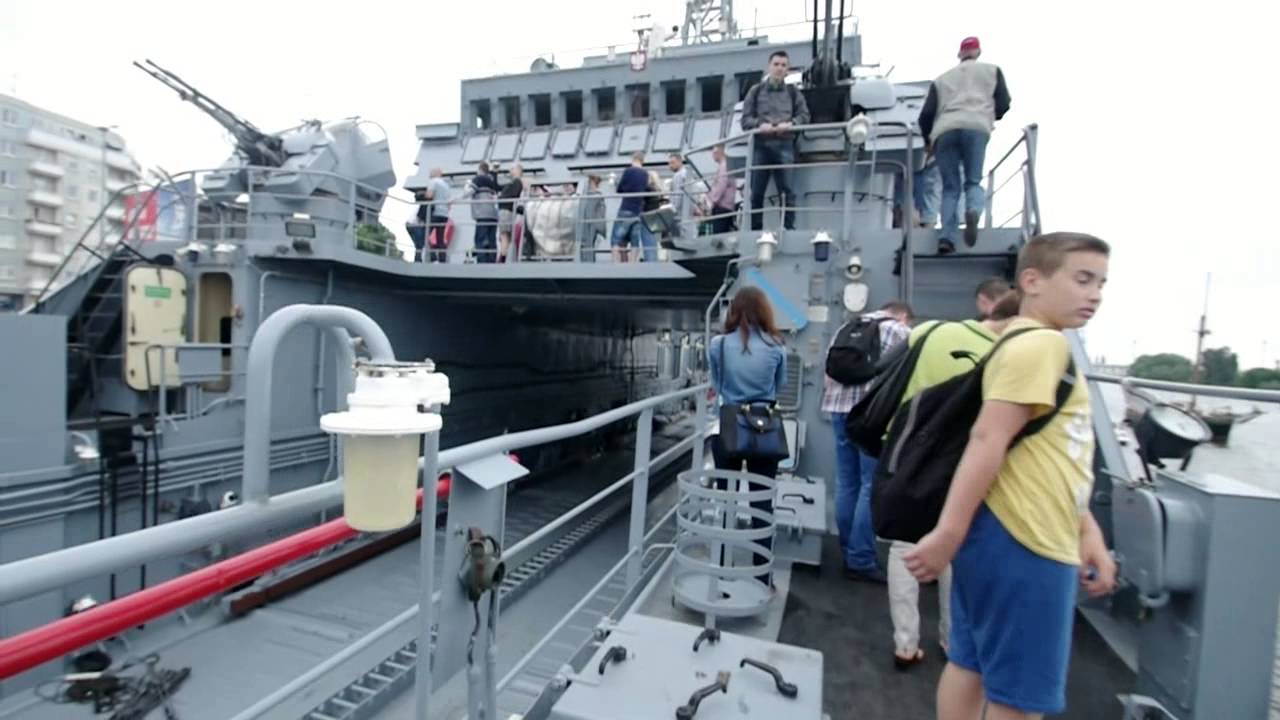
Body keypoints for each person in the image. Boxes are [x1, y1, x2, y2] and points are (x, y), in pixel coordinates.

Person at [905, 232, 1117, 719]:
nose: (1095, 295)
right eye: (1082, 279)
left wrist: (1088, 531)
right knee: (1017, 700)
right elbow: (988, 440)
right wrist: (947, 535)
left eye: (1101, 283)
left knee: (971, 665)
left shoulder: (1019, 341)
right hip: (1028, 539)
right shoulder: (1041, 346)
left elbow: (1049, 453)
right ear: (1032, 281)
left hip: (1004, 532)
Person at [886, 289, 1020, 670]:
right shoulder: (1004, 355)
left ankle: (905, 643)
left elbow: (890, 377)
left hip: (911, 456)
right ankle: (952, 639)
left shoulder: (926, 333)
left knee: (903, 546)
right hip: (965, 463)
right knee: (955, 548)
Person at [822, 301, 913, 583]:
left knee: (846, 482)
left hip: (838, 412)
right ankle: (860, 560)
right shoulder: (899, 332)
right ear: (903, 315)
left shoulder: (845, 329)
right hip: (872, 416)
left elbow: (828, 378)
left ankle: (849, 549)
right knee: (869, 485)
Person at [708, 286, 788, 585]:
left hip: (728, 425)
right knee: (762, 505)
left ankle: (723, 571)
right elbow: (778, 388)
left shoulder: (718, 344)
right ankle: (761, 576)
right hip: (763, 428)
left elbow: (717, 382)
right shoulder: (777, 346)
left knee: (726, 502)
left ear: (734, 311)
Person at [918, 36, 1012, 255]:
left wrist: (927, 141)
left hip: (945, 131)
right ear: (978, 52)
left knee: (950, 188)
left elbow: (926, 115)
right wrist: (990, 115)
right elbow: (1004, 103)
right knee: (972, 181)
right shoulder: (992, 71)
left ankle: (946, 239)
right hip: (977, 127)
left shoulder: (942, 80)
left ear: (960, 54)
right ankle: (973, 210)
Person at [741, 50, 810, 231]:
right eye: (776, 64)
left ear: (787, 70)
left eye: (783, 65)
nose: (779, 68)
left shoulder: (793, 93)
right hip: (761, 146)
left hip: (785, 144)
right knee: (756, 192)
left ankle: (788, 227)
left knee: (787, 191)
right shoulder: (755, 92)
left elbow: (804, 115)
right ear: (769, 67)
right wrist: (759, 125)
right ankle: (756, 230)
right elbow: (745, 120)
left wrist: (792, 124)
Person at [611, 152, 657, 263]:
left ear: (633, 159)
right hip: (638, 211)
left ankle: (616, 266)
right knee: (634, 241)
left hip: (626, 208)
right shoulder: (645, 174)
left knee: (615, 240)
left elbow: (619, 189)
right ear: (642, 161)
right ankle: (632, 266)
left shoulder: (628, 171)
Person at [465, 162, 501, 263]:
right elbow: (497, 189)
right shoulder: (491, 181)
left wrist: (467, 184)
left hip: (482, 214)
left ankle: (482, 260)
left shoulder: (478, 179)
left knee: (480, 238)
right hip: (493, 214)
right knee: (492, 238)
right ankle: (492, 260)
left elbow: (468, 192)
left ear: (480, 169)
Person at [705, 144, 737, 234]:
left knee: (719, 235)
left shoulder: (724, 166)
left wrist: (711, 201)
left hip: (722, 208)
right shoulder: (728, 165)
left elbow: (721, 186)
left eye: (714, 153)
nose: (712, 156)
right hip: (727, 207)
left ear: (719, 153)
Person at [497, 163, 524, 263]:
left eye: (513, 168)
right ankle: (504, 258)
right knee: (506, 237)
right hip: (508, 211)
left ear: (518, 170)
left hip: (506, 211)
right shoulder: (514, 183)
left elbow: (511, 196)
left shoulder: (516, 182)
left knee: (504, 236)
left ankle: (502, 260)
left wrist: (500, 197)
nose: (510, 170)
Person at [423, 168, 451, 263]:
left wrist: (423, 195)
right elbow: (449, 202)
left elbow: (429, 195)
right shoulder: (446, 185)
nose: (429, 174)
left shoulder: (433, 182)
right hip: (444, 214)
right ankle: (442, 259)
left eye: (431, 172)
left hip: (434, 212)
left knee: (425, 234)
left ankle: (432, 257)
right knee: (440, 238)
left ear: (436, 173)